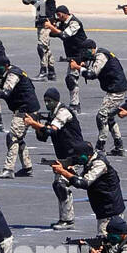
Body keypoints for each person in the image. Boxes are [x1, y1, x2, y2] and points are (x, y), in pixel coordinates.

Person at [27, 89, 84, 228]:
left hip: (76, 156)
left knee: (61, 184)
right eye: (45, 101)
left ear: (56, 100)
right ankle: (65, 218)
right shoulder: (53, 114)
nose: (47, 103)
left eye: (49, 101)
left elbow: (52, 130)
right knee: (58, 185)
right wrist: (36, 124)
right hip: (64, 157)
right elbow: (43, 137)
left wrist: (34, 124)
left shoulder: (63, 112)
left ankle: (68, 220)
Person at [0, 56, 38, 177]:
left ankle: (9, 169)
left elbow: (5, 92)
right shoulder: (11, 72)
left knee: (13, 137)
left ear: (6, 66)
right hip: (25, 108)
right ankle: (27, 167)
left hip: (25, 110)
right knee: (18, 138)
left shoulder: (13, 74)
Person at [75, 40, 127, 155]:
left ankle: (100, 146)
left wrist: (78, 68)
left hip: (116, 91)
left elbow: (92, 74)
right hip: (115, 89)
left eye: (86, 51)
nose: (85, 54)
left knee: (101, 116)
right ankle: (119, 146)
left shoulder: (101, 56)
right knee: (109, 117)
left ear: (92, 48)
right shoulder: (99, 55)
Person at [17, 0, 56, 78]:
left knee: (41, 47)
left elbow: (39, 3)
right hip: (40, 21)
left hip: (47, 21)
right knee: (45, 46)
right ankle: (51, 71)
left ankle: (44, 71)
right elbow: (27, 2)